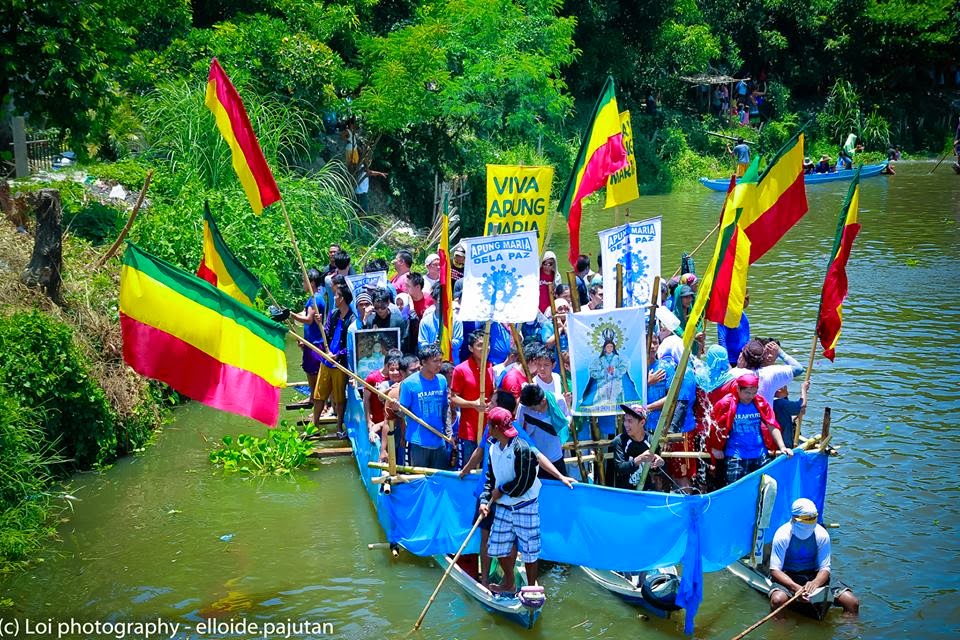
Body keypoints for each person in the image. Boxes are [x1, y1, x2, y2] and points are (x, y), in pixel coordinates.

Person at [478, 408, 543, 594]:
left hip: (525, 505)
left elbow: (525, 481)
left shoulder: (521, 449)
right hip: (504, 507)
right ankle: (509, 583)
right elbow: (490, 479)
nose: (488, 428)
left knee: (530, 549)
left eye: (490, 425)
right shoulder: (492, 447)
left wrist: (502, 490)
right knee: (498, 546)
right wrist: (485, 500)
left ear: (496, 427)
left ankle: (531, 588)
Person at [769, 498, 859, 615]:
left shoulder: (821, 534)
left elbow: (825, 568)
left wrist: (815, 583)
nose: (811, 522)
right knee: (777, 600)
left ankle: (849, 631)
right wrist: (796, 588)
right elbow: (775, 570)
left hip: (813, 574)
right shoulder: (782, 535)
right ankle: (781, 630)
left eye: (813, 518)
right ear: (794, 518)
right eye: (807, 519)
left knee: (852, 602)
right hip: (788, 575)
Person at [707, 373, 792, 486]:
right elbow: (713, 428)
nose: (750, 396)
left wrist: (782, 446)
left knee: (767, 488)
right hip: (736, 455)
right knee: (735, 490)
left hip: (760, 453)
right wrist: (714, 448)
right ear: (738, 389)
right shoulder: (725, 404)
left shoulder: (760, 402)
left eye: (754, 392)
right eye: (747, 393)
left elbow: (772, 424)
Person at [398, 344, 449, 469]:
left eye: (440, 360)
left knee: (438, 480)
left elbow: (445, 408)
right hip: (418, 443)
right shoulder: (408, 384)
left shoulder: (442, 380)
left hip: (439, 440)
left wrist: (449, 432)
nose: (439, 364)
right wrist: (397, 408)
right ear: (423, 362)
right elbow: (402, 413)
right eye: (435, 361)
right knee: (418, 480)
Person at [450, 330, 495, 465]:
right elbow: (453, 398)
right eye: (480, 345)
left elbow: (493, 393)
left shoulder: (491, 367)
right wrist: (473, 404)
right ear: (470, 348)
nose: (485, 348)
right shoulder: (461, 369)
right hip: (469, 430)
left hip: (489, 429)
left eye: (487, 344)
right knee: (468, 468)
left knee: (488, 470)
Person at [290, 268, 327, 426]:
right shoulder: (312, 299)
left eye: (305, 281)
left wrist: (290, 314)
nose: (303, 284)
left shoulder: (316, 298)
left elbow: (309, 319)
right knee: (308, 370)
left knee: (315, 374)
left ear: (311, 282)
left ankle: (322, 405)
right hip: (310, 340)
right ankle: (313, 397)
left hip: (315, 343)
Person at [317, 283, 355, 437]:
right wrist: (320, 324)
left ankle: (339, 427)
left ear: (343, 299)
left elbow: (351, 346)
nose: (335, 297)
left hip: (339, 365)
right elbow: (326, 333)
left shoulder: (351, 320)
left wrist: (338, 355)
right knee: (319, 395)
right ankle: (314, 425)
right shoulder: (333, 315)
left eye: (337, 295)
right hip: (326, 361)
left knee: (339, 398)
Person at [517, 384, 570, 478]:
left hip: (555, 456)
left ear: (543, 401)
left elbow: (566, 420)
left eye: (533, 408)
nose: (532, 411)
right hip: (534, 459)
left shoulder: (559, 400)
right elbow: (519, 429)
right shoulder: (523, 407)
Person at [580, 329, 641, 409]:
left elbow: (623, 369)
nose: (609, 348)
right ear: (604, 348)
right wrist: (604, 372)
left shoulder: (619, 358)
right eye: (608, 346)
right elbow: (593, 372)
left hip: (616, 384)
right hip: (602, 386)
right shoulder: (598, 360)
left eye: (611, 346)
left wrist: (615, 371)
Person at [733, 338, 805, 403]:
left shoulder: (735, 373)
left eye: (773, 352)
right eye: (767, 352)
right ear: (762, 354)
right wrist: (780, 352)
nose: (769, 356)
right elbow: (799, 368)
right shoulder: (773, 373)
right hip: (765, 416)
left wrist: (738, 368)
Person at [611, 404, 664, 490]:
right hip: (624, 493)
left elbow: (657, 470)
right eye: (625, 420)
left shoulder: (651, 440)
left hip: (646, 492)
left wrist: (660, 463)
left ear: (642, 422)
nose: (626, 424)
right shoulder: (620, 440)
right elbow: (619, 468)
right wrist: (639, 459)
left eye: (630, 421)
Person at [365, 349, 401, 449]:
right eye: (391, 368)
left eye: (398, 368)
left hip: (396, 424)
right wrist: (369, 421)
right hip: (380, 422)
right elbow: (368, 399)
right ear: (386, 364)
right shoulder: (373, 378)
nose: (395, 372)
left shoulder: (403, 381)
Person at [365, 289, 409, 354]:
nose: (380, 310)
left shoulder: (398, 321)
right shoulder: (370, 321)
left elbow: (404, 342)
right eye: (376, 307)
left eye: (382, 307)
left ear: (388, 303)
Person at [718, 289, 750, 367]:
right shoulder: (726, 316)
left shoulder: (743, 315)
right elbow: (721, 340)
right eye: (746, 299)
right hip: (730, 361)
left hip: (743, 359)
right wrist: (726, 362)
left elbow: (747, 338)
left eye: (748, 299)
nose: (748, 301)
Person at [773, 380, 809, 449]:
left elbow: (781, 417)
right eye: (785, 386)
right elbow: (802, 405)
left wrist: (797, 414)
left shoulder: (770, 400)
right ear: (779, 390)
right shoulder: (780, 403)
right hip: (783, 442)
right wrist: (803, 389)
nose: (787, 387)